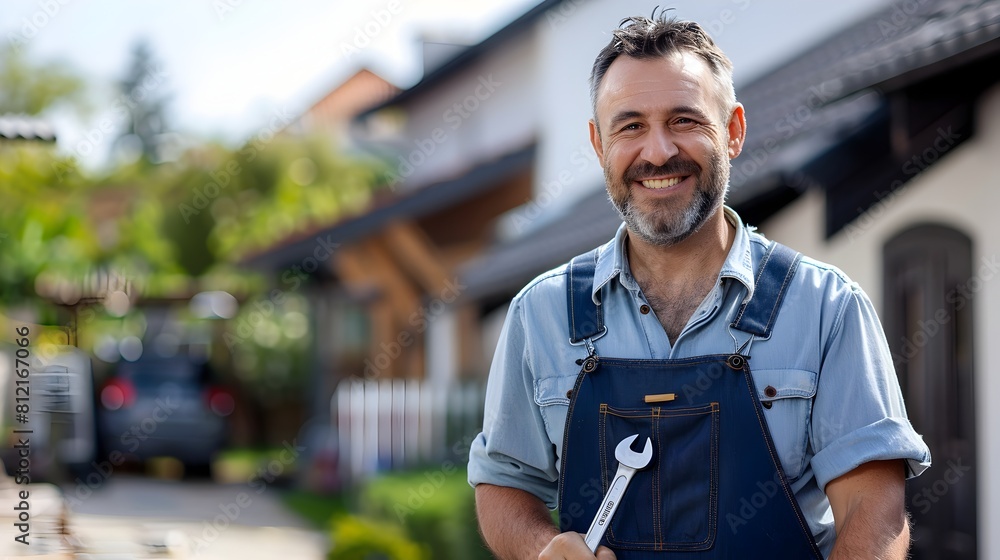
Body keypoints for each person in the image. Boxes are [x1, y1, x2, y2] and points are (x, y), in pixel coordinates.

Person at [467, 12, 931, 560]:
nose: (658, 152)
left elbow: (870, 510)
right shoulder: (540, 315)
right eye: (630, 125)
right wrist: (541, 548)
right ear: (598, 145)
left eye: (684, 120)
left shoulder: (825, 308)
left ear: (732, 131)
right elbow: (505, 480)